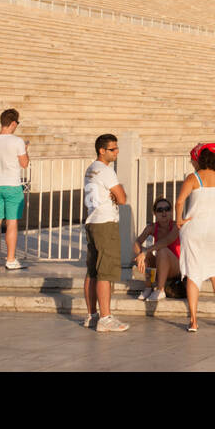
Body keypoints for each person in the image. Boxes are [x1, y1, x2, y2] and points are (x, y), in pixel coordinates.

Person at [174, 143, 215, 331]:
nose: (191, 161)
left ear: (198, 159)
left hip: (194, 230)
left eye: (192, 158)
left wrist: (179, 220)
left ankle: (193, 320)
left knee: (194, 276)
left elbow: (179, 201)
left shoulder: (193, 178)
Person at [83, 134, 129, 332]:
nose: (116, 152)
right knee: (105, 271)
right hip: (105, 222)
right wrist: (118, 192)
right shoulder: (106, 171)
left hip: (92, 221)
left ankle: (92, 315)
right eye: (113, 149)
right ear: (102, 150)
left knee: (92, 271)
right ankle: (105, 317)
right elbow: (122, 198)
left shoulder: (91, 168)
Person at [0, 108, 28, 270]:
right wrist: (25, 151)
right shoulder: (17, 141)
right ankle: (10, 259)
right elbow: (24, 163)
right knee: (11, 223)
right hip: (12, 184)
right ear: (13, 123)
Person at [133, 197, 181, 302]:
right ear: (155, 213)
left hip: (176, 268)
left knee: (162, 250)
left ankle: (160, 289)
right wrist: (141, 255)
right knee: (143, 253)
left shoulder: (176, 226)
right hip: (160, 265)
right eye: (160, 210)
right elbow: (136, 243)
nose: (164, 212)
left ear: (171, 211)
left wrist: (145, 252)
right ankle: (148, 287)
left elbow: (167, 241)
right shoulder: (152, 227)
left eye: (167, 209)